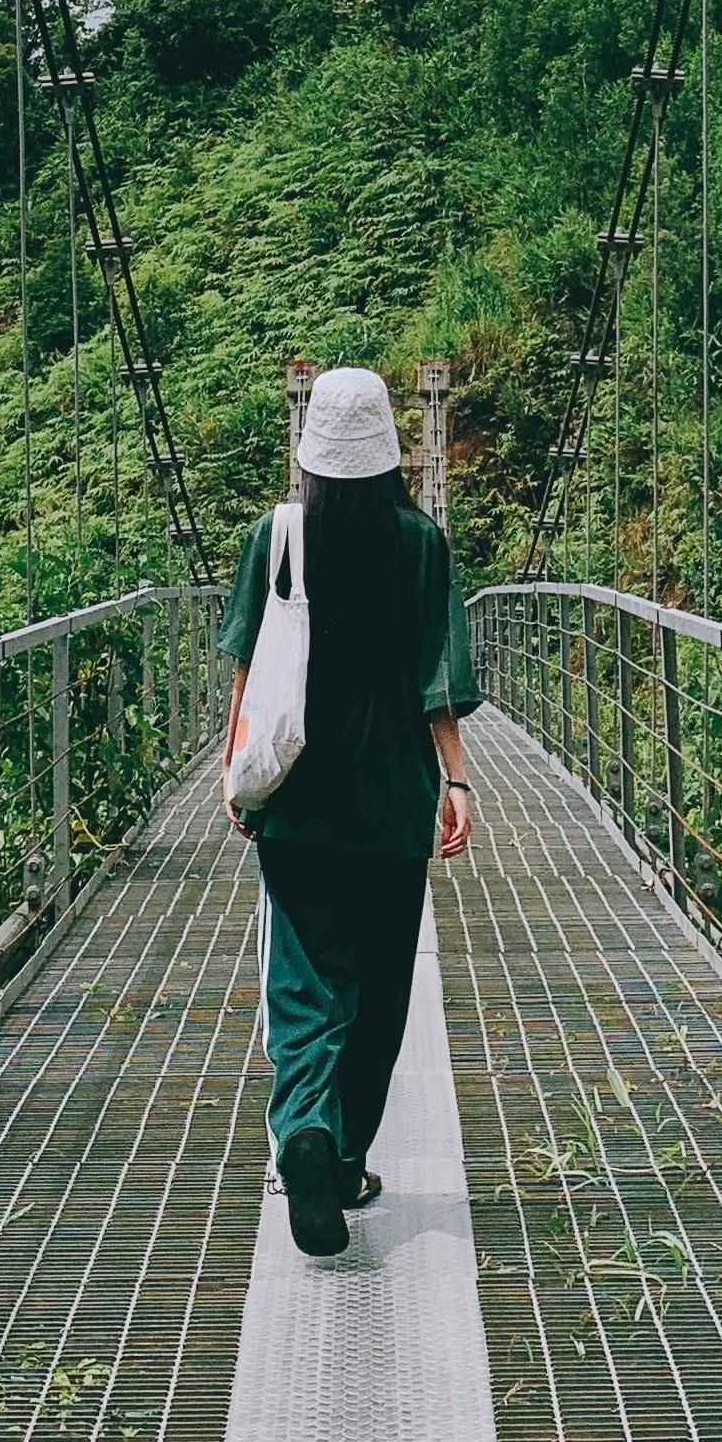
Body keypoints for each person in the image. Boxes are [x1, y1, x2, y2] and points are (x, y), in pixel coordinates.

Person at [220, 363, 475, 1259]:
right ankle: (350, 1154)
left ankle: (305, 1137)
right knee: (378, 989)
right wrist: (458, 782)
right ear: (389, 456)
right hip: (394, 808)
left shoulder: (276, 534)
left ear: (312, 457)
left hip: (297, 803)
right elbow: (436, 683)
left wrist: (233, 767)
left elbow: (249, 662)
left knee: (303, 982)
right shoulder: (421, 544)